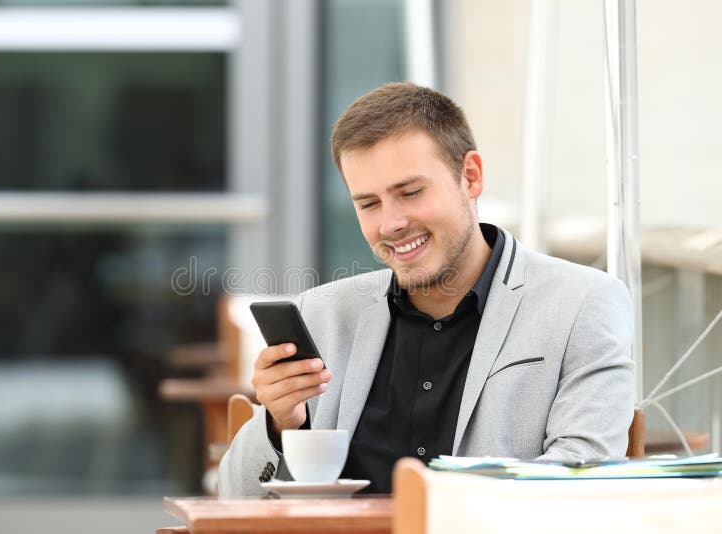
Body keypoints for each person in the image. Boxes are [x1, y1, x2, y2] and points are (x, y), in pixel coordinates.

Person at [218, 82, 633, 496]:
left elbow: (583, 479)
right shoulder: (322, 314)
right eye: (368, 204)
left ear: (470, 177)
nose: (391, 224)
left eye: (411, 192)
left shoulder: (584, 304)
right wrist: (279, 424)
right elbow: (233, 500)